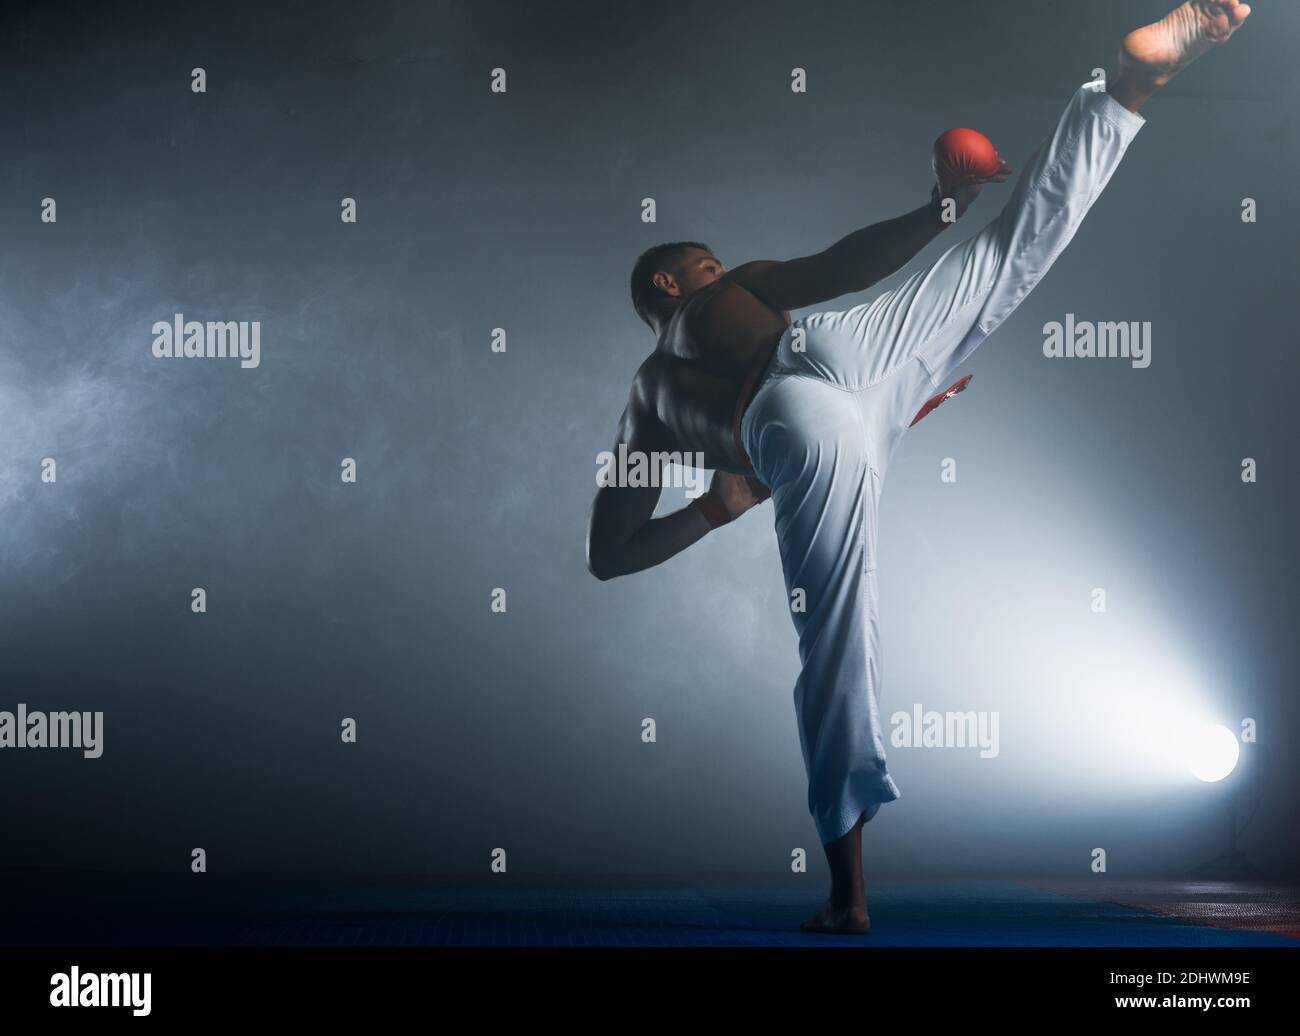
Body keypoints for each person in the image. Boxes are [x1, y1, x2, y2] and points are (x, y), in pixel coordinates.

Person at [586, 1, 1252, 933]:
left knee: (836, 641)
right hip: (850, 363)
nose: (718, 265)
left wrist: (711, 508)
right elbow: (842, 266)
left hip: (793, 419)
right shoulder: (724, 293)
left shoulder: (643, 404)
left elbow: (609, 553)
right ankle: (1129, 89)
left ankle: (848, 896)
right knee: (1011, 248)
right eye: (703, 262)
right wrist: (945, 206)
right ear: (671, 283)